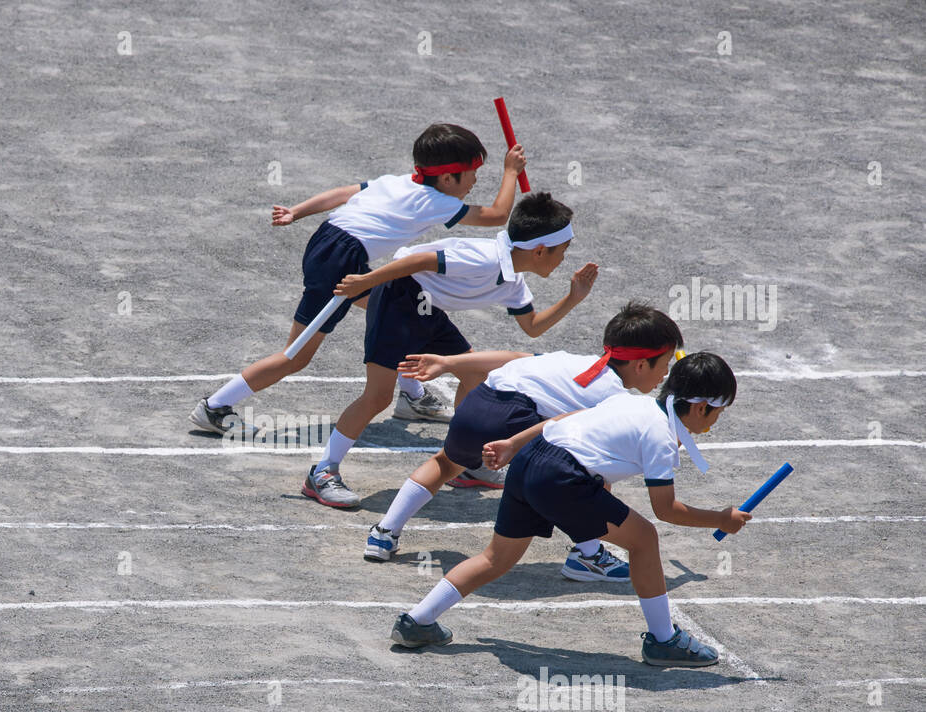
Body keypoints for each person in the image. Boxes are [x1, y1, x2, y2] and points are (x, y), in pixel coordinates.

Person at [390, 352, 750, 668]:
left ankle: (417, 621)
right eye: (719, 412)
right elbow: (666, 509)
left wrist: (515, 444)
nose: (715, 422)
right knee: (643, 538)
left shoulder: (630, 402)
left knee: (496, 557)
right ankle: (663, 640)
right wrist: (720, 519)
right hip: (560, 477)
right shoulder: (659, 436)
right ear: (702, 406)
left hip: (532, 458)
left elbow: (566, 418)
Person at [190, 123, 526, 436]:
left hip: (328, 244)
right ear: (448, 178)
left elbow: (342, 193)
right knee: (296, 355)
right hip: (339, 260)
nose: (475, 182)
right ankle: (215, 407)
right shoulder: (436, 202)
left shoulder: (398, 181)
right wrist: (510, 172)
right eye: (473, 174)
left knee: (407, 310)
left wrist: (298, 211)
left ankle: (411, 395)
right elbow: (497, 215)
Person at [302, 192, 596, 508]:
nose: (564, 258)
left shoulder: (512, 281)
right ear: (539, 251)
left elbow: (533, 326)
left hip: (427, 310)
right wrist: (366, 281)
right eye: (562, 251)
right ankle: (322, 473)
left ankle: (466, 462)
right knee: (377, 396)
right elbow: (418, 261)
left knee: (477, 374)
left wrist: (573, 297)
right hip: (398, 299)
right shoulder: (485, 258)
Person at [365, 302, 685, 586]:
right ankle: (588, 555)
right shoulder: (614, 397)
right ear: (641, 364)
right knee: (591, 473)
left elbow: (515, 357)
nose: (666, 374)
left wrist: (451, 363)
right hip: (516, 416)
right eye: (665, 363)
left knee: (445, 463)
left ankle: (383, 534)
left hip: (481, 401)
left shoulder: (570, 360)